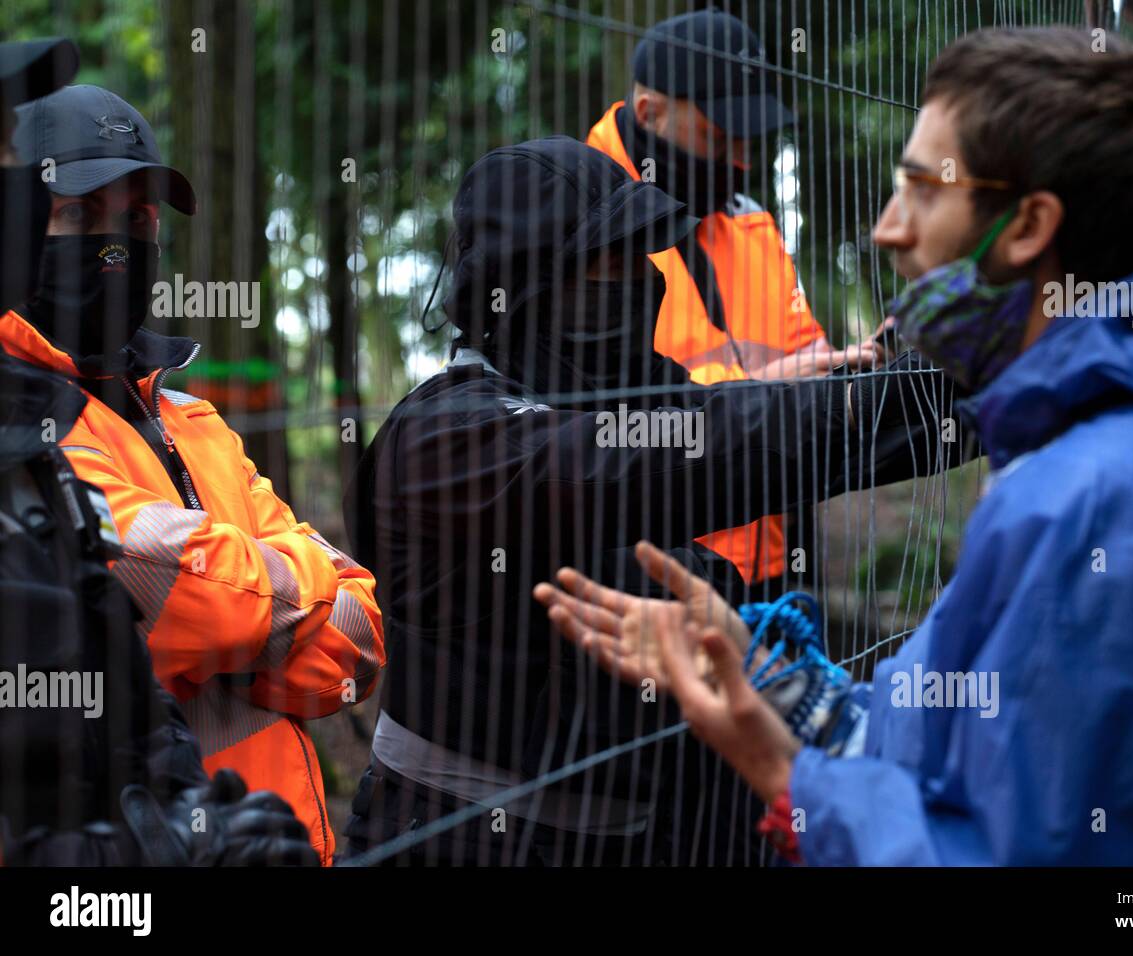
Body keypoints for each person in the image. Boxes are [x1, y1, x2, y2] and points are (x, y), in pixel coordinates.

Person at [537, 27, 1133, 865]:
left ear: (1028, 226)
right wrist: (775, 680)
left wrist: (791, 782)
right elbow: (977, 745)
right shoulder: (1132, 440)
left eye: (920, 190)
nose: (886, 230)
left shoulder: (1090, 502)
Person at [342, 135, 963, 865]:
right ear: (526, 285)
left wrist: (970, 383)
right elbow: (694, 454)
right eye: (608, 263)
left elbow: (743, 425)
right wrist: (885, 401)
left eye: (641, 256)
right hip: (460, 842)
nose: (639, 279)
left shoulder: (621, 389)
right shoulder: (447, 435)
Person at [0, 84, 385, 865]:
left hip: (280, 842)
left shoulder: (190, 414)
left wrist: (231, 634)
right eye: (79, 214)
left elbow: (362, 633)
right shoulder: (20, 426)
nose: (117, 244)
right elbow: (163, 588)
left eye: (139, 218)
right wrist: (292, 599)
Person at [587, 9, 877, 588]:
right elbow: (590, 414)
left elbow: (808, 356)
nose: (741, 160)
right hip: (648, 573)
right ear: (649, 113)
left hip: (771, 556)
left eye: (748, 138)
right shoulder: (581, 231)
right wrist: (763, 386)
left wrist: (859, 364)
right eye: (719, 137)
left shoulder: (751, 223)